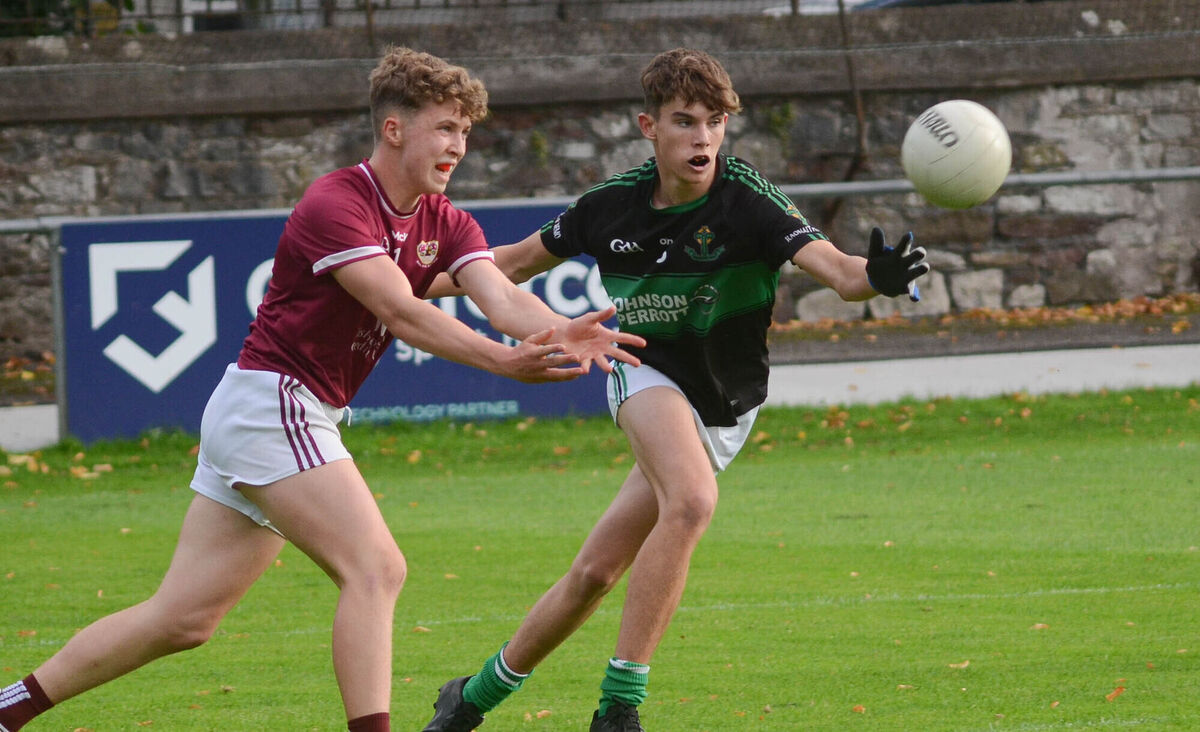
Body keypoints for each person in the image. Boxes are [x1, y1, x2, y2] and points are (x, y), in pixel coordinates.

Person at [0, 47, 644, 732]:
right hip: (272, 404)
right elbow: (401, 311)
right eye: (444, 128)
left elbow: (501, 296)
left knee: (182, 619)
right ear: (393, 128)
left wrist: (558, 331)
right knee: (376, 568)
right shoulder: (336, 202)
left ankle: (9, 709)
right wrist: (504, 362)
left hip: (278, 414)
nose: (458, 146)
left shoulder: (446, 220)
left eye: (464, 131)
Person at [421, 48, 930, 732]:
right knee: (691, 501)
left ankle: (469, 699)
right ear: (649, 127)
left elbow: (840, 272)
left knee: (596, 574)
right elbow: (504, 266)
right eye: (685, 121)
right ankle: (619, 707)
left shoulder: (748, 200)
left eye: (715, 122)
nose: (703, 137)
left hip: (727, 406)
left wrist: (879, 276)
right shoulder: (609, 207)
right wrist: (394, 281)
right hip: (643, 369)